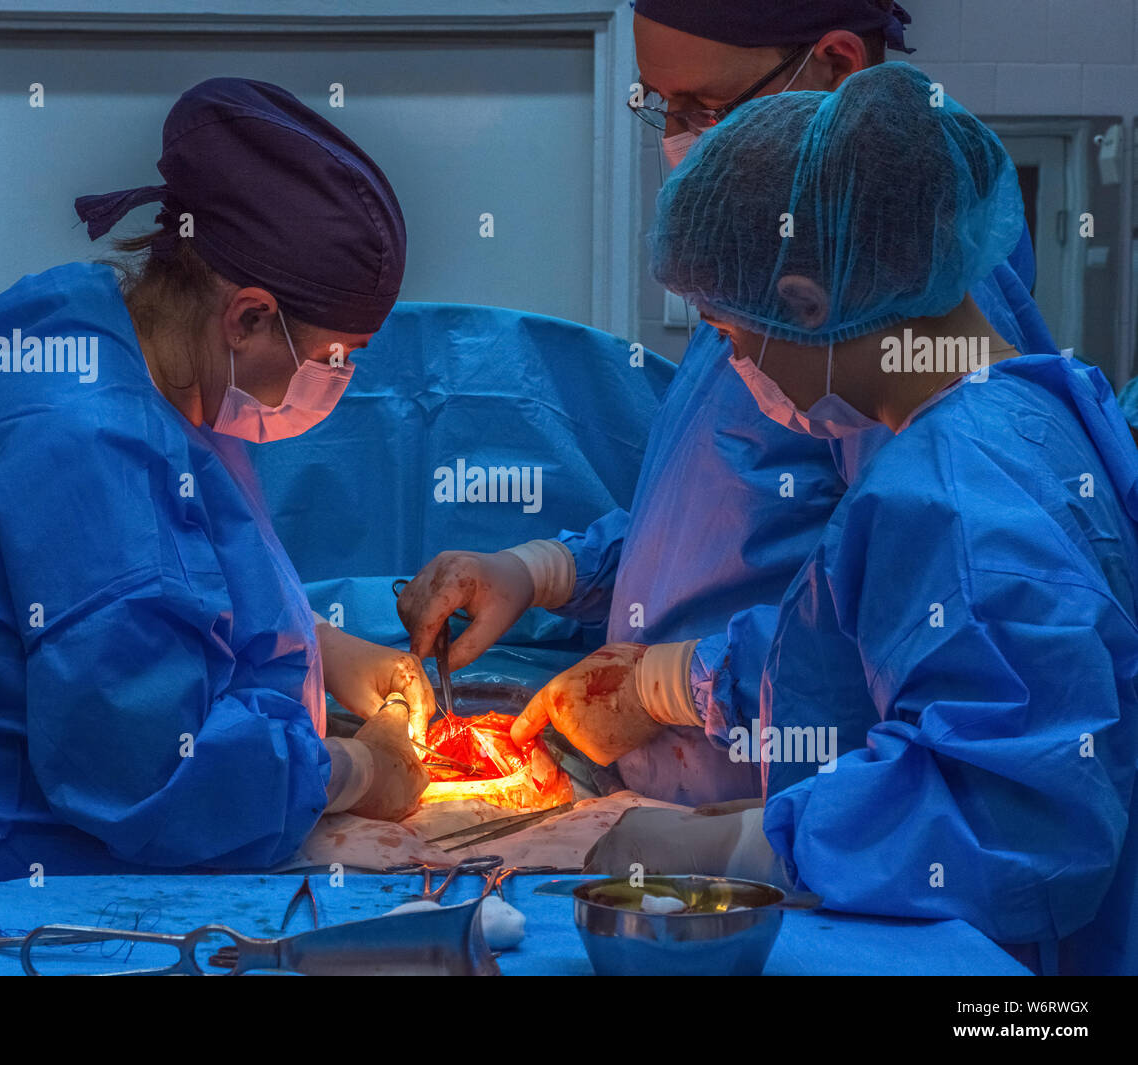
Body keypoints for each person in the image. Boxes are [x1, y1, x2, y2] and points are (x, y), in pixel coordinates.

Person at [397, 0, 1057, 806]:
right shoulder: (771, 275)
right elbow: (712, 517)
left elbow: (904, 624)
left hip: (802, 822)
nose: (680, 139)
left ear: (838, 66)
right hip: (734, 825)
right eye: (660, 108)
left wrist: (670, 689)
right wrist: (544, 571)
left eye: (704, 109)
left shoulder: (895, 307)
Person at [593, 63, 1138, 976]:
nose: (734, 369)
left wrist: (749, 852)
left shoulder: (952, 493)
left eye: (730, 338)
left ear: (804, 304)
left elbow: (1017, 822)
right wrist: (704, 723)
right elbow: (872, 668)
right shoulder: (1034, 405)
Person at [0, 78, 435, 880]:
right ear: (249, 317)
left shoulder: (83, 334)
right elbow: (155, 772)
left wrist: (324, 650)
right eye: (333, 356)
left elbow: (129, 607)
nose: (338, 378)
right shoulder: (86, 443)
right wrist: (356, 772)